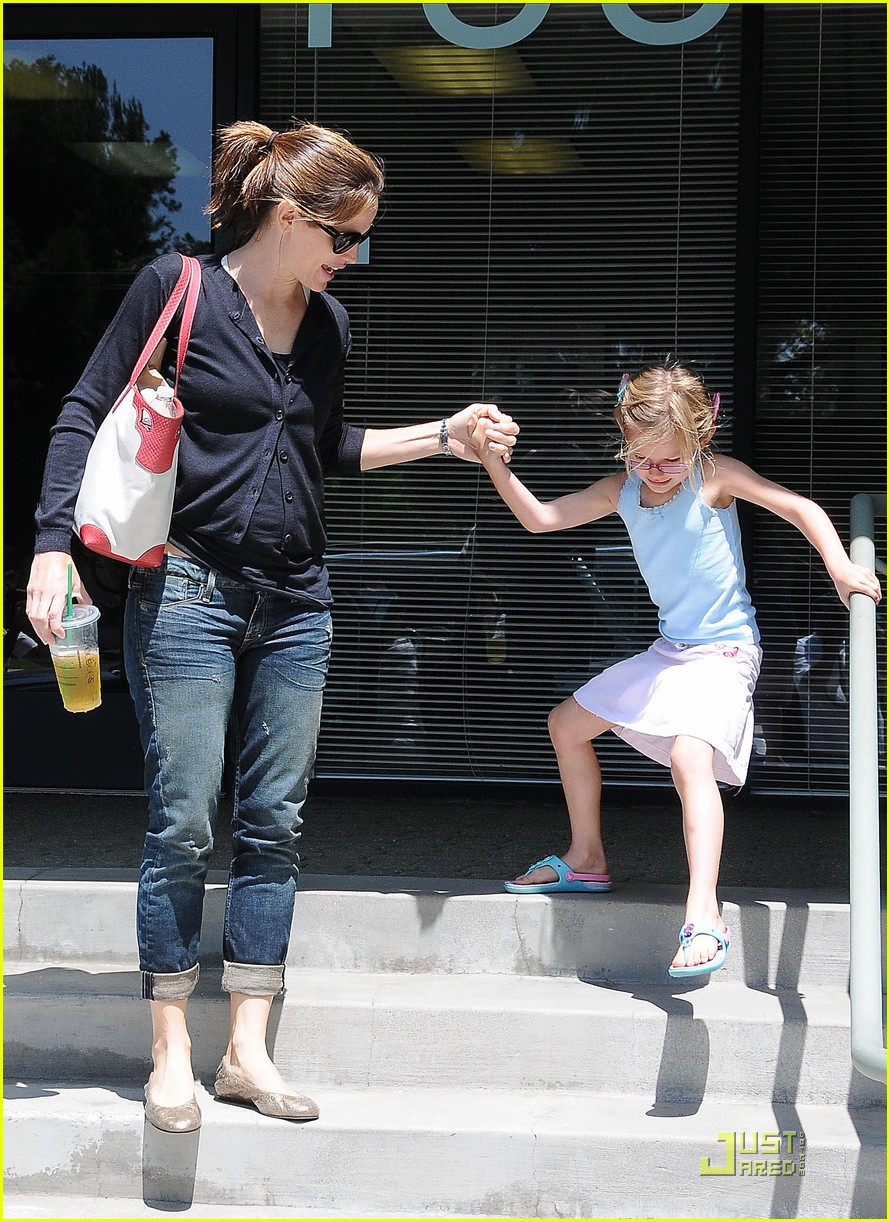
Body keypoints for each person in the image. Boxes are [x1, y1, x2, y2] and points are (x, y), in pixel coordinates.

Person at [25, 119, 516, 1132]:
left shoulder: (329, 327)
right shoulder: (180, 289)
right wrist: (46, 545)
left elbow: (321, 444)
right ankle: (170, 1053)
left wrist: (445, 437)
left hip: (298, 599)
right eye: (343, 237)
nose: (350, 257)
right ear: (287, 217)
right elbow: (83, 408)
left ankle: (245, 1050)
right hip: (189, 592)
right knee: (182, 823)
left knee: (274, 825)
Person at [470, 361, 881, 978]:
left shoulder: (716, 479)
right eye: (641, 458)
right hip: (673, 650)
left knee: (692, 755)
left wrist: (840, 568)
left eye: (669, 460)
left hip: (725, 651)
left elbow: (801, 509)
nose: (655, 472)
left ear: (700, 440)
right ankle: (585, 858)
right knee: (566, 725)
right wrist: (494, 464)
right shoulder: (621, 489)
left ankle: (704, 915)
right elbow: (541, 519)